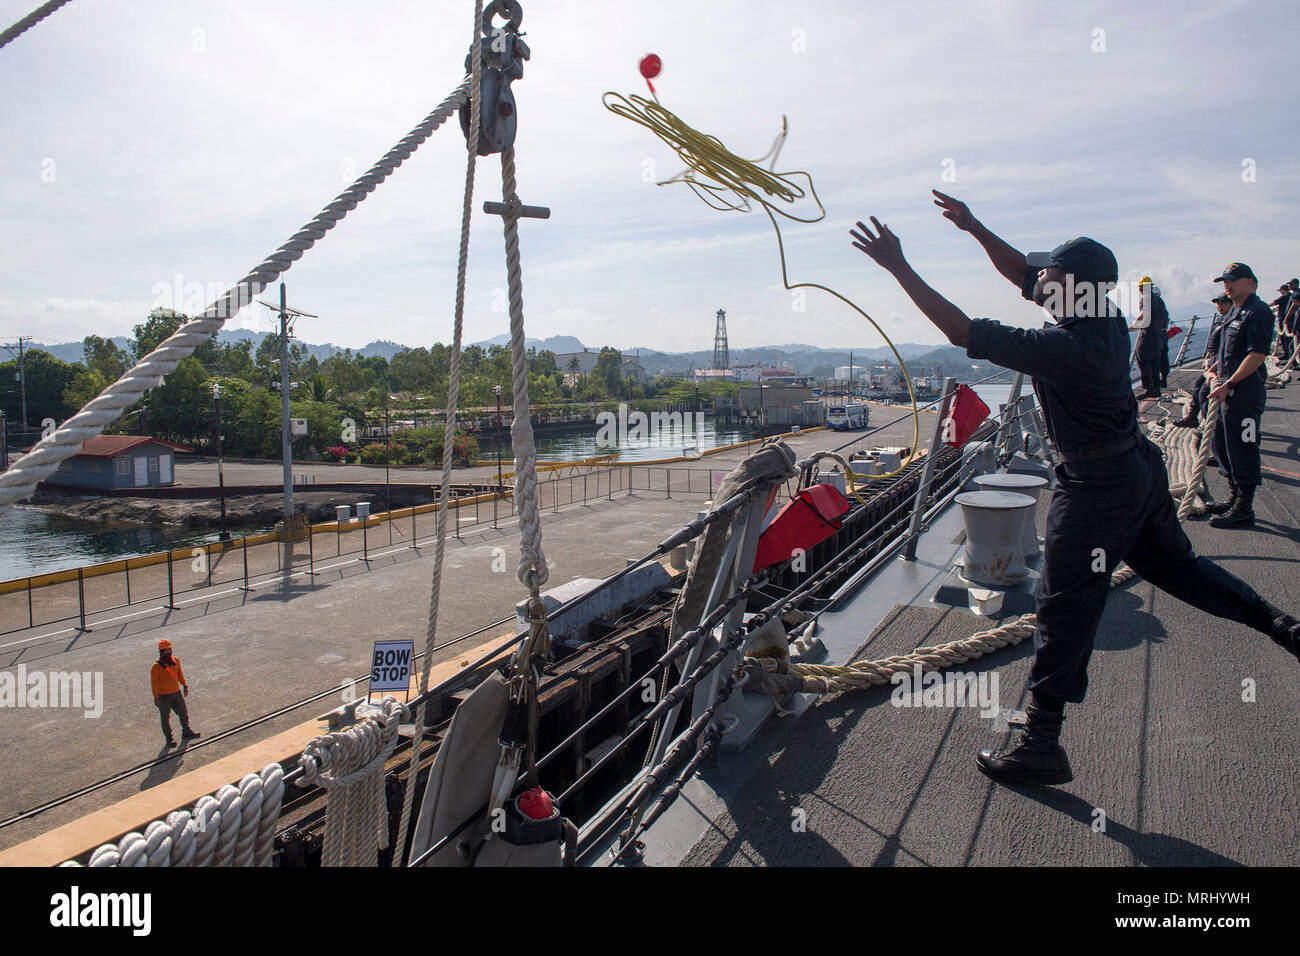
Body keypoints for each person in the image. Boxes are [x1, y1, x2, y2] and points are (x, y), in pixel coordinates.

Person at [848, 191, 1300, 787]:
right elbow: (1024, 275)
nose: (1041, 283)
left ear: (1075, 287)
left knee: (1062, 608)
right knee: (1183, 570)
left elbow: (962, 331)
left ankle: (1040, 742)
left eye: (1052, 277)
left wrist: (899, 266)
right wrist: (974, 225)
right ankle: (1281, 625)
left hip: (1093, 486)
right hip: (1133, 472)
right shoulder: (1102, 315)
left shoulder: (1065, 348)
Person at [1203, 263, 1275, 529]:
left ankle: (1245, 508)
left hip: (1244, 395)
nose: (1227, 286)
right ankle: (1234, 498)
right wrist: (1213, 370)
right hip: (1226, 393)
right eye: (1225, 281)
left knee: (1244, 447)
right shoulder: (1233, 312)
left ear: (1251, 283)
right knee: (1224, 446)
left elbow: (1256, 355)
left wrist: (1228, 383)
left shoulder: (1258, 312)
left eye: (1233, 281)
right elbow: (1226, 351)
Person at [1171, 293, 1232, 427]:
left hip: (1220, 366)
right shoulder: (1222, 320)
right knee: (1199, 387)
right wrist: (1207, 357)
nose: (1219, 306)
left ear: (1230, 304)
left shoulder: (1231, 323)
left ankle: (1211, 424)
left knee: (1204, 393)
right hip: (1213, 361)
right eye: (1217, 303)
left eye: (1222, 303)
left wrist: (1214, 366)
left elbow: (1229, 350)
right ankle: (1195, 418)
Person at [151, 638, 199, 748]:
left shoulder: (176, 660)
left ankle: (186, 731)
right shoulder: (156, 667)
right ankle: (169, 739)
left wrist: (184, 685)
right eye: (166, 651)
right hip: (164, 696)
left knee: (183, 712)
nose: (168, 652)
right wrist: (156, 697)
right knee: (165, 718)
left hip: (176, 693)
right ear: (161, 652)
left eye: (169, 650)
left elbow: (179, 674)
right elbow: (154, 683)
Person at [1131, 276, 1168, 398]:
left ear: (1142, 288)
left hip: (1147, 334)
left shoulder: (1146, 298)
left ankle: (1148, 388)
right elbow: (1165, 318)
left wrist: (1133, 326)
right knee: (1155, 361)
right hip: (1158, 336)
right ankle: (1156, 388)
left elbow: (1144, 313)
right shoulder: (1159, 300)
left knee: (1142, 358)